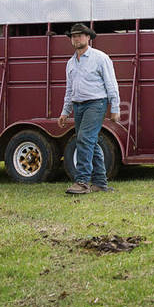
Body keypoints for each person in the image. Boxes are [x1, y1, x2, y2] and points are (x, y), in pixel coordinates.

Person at [57, 23, 120, 195]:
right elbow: (69, 90)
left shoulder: (100, 58)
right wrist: (65, 111)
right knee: (91, 142)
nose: (76, 38)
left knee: (84, 139)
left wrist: (115, 107)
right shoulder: (70, 63)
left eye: (80, 35)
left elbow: (111, 84)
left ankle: (82, 182)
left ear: (88, 37)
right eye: (73, 36)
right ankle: (100, 183)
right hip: (78, 105)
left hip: (96, 103)